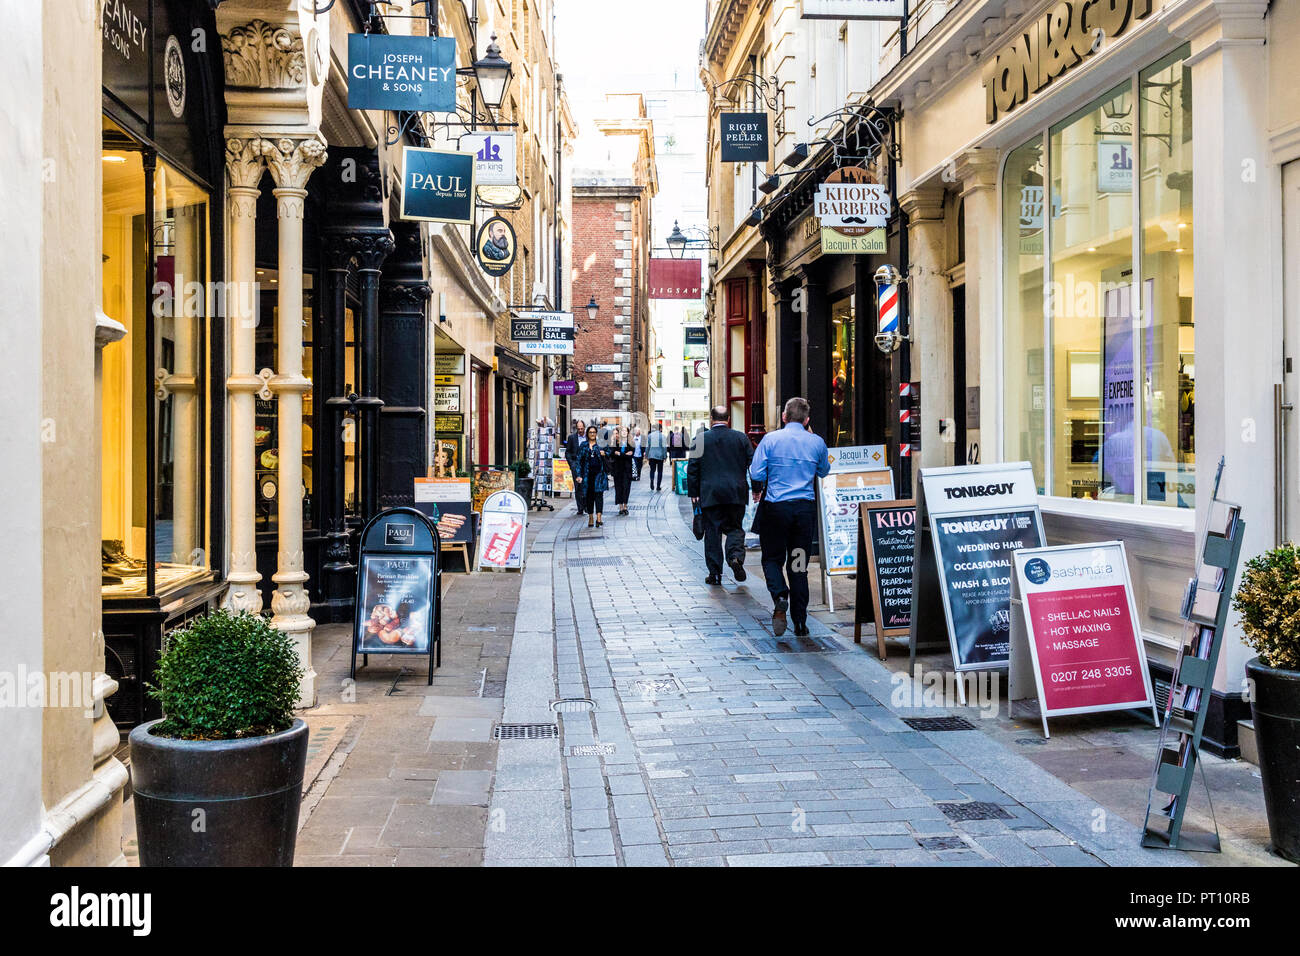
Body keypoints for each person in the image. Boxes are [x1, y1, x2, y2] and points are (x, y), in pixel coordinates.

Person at [748, 396, 830, 637]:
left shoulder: (770, 440)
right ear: (806, 420)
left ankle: (779, 594)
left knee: (772, 559)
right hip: (803, 511)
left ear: (784, 417)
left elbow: (756, 472)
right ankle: (801, 623)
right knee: (799, 565)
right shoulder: (816, 442)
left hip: (776, 509)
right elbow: (824, 470)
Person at [688, 405, 754, 586]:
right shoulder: (741, 438)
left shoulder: (699, 440)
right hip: (736, 493)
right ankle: (735, 558)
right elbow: (753, 465)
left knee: (713, 533)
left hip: (710, 494)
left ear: (711, 419)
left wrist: (693, 493)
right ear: (729, 419)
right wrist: (756, 488)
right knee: (734, 528)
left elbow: (692, 468)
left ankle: (715, 574)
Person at [575, 425, 608, 528]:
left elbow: (609, 452)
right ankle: (590, 517)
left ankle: (599, 518)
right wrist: (578, 475)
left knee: (599, 496)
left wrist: (604, 453)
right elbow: (579, 461)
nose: (592, 434)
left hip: (599, 475)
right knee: (589, 497)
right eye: (590, 432)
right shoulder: (584, 445)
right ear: (587, 434)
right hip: (587, 475)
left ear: (596, 433)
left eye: (594, 432)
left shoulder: (601, 444)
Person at [608, 426, 635, 516]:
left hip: (627, 469)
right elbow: (612, 453)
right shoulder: (615, 442)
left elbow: (631, 454)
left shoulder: (631, 443)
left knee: (626, 487)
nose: (623, 432)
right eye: (622, 431)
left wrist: (620, 454)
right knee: (618, 488)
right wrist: (624, 455)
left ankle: (625, 506)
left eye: (625, 431)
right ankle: (620, 507)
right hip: (617, 469)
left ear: (628, 433)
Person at [565, 419, 586, 514]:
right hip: (576, 465)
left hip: (586, 466)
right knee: (578, 487)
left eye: (581, 428)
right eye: (578, 429)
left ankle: (586, 505)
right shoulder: (572, 438)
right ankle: (580, 508)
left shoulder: (589, 437)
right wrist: (572, 464)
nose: (580, 430)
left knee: (586, 486)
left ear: (584, 428)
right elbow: (568, 452)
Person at [645, 423, 669, 491]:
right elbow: (664, 448)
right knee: (660, 471)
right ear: (660, 429)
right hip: (660, 456)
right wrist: (665, 456)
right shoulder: (662, 436)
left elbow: (647, 447)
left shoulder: (650, 436)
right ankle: (658, 486)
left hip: (652, 456)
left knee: (652, 470)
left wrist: (646, 455)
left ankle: (652, 481)